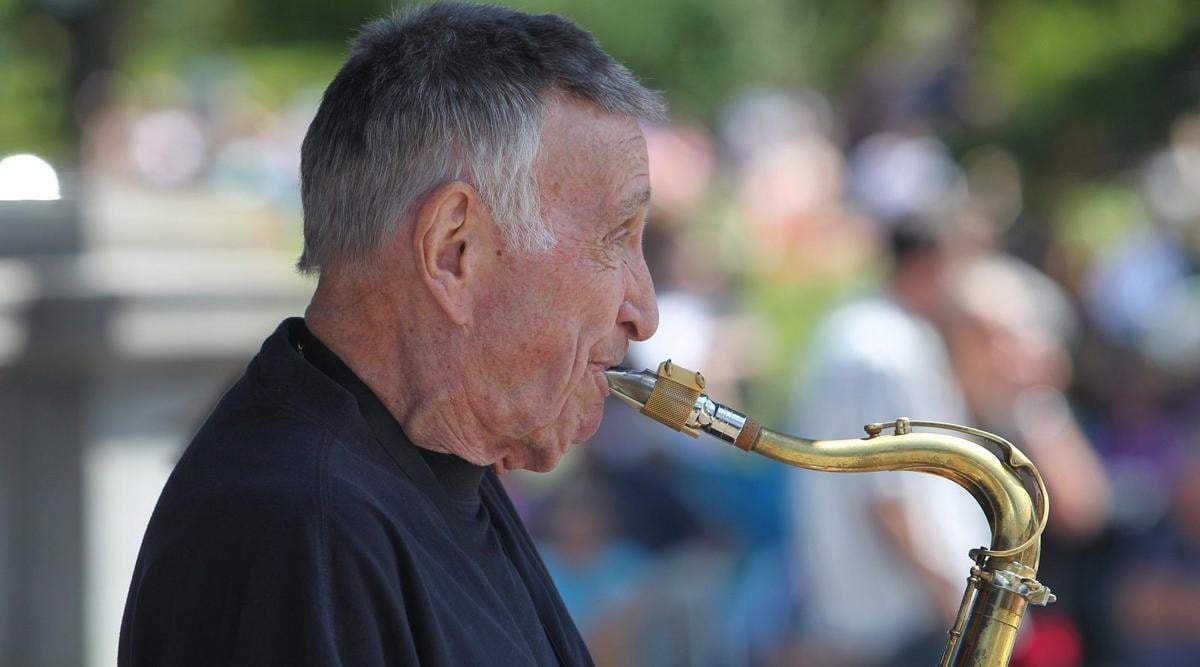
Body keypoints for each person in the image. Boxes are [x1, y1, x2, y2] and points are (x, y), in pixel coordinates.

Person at [118, 4, 663, 665]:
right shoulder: (301, 528)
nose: (643, 309)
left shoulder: (415, 466)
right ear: (452, 251)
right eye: (616, 239)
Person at [787, 217, 990, 666]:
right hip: (901, 616)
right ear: (931, 264)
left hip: (863, 611)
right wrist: (946, 590)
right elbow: (888, 496)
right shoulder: (887, 351)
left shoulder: (853, 331)